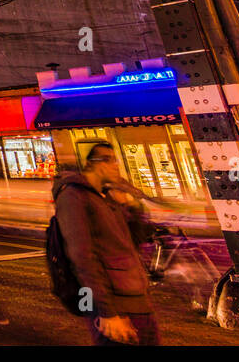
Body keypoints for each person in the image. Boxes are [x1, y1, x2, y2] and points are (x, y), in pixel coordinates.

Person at [52, 142, 159, 345]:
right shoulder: (73, 197)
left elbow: (133, 242)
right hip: (114, 307)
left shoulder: (107, 196)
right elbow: (82, 258)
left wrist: (133, 205)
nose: (116, 165)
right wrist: (107, 312)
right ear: (96, 164)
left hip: (137, 299)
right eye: (110, 160)